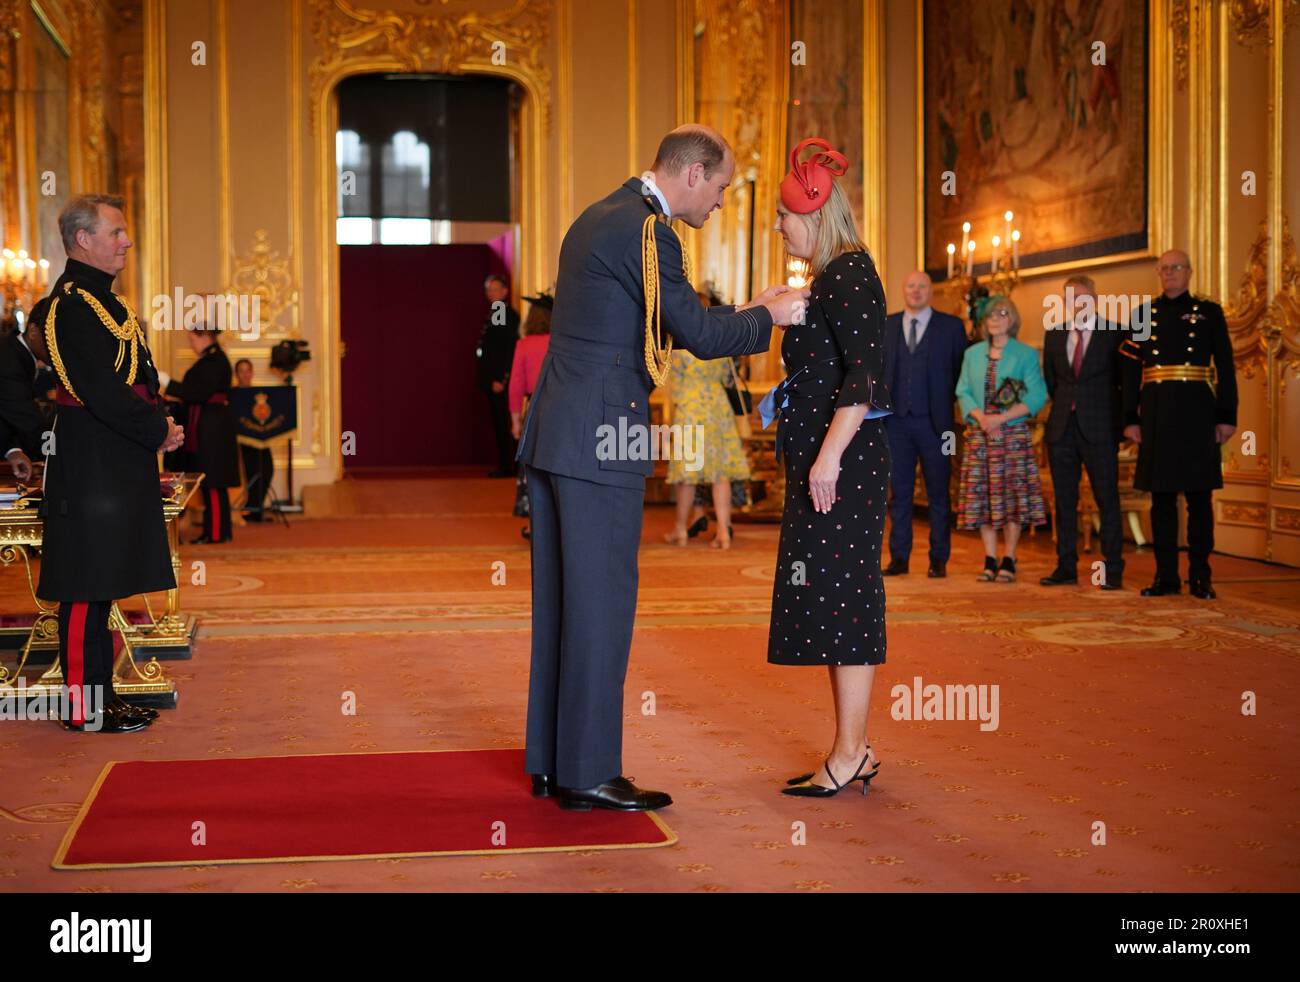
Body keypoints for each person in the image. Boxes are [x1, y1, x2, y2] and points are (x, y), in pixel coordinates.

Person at [517, 124, 804, 811]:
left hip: (560, 429)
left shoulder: (600, 215)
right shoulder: (651, 232)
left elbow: (654, 322)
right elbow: (696, 335)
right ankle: (588, 773)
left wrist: (750, 309)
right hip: (601, 435)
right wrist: (770, 317)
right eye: (723, 187)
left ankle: (555, 762)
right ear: (693, 173)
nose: (722, 202)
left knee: (563, 603)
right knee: (601, 604)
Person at [763, 138, 893, 798]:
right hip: (827, 460)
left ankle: (850, 752)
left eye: (783, 215)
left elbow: (864, 378)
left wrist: (829, 458)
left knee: (848, 600)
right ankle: (851, 747)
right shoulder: (831, 277)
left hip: (843, 464)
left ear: (813, 214)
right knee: (832, 600)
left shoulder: (848, 272)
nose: (777, 226)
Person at [37, 193, 184, 733]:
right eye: (116, 232)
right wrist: (155, 429)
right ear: (83, 240)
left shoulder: (106, 302)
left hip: (116, 455)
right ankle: (84, 706)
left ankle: (105, 695)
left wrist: (159, 424)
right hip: (89, 459)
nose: (127, 241)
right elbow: (98, 389)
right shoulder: (69, 306)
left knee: (104, 578)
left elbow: (139, 377)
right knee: (84, 582)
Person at [1121, 249, 1237, 599]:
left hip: (1197, 411)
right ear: (1159, 273)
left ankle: (1201, 576)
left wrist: (1226, 416)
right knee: (1162, 500)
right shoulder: (1143, 314)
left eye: (1176, 267)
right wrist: (1129, 419)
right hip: (1156, 413)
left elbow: (1225, 365)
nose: (1169, 273)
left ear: (1189, 272)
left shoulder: (1209, 312)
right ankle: (1166, 577)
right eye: (1164, 268)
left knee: (1200, 499)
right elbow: (1130, 370)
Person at [1041, 274, 1126, 589]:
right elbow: (1053, 381)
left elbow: (1123, 383)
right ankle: (1066, 567)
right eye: (1069, 299)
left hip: (1100, 428)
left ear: (1095, 299)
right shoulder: (1054, 335)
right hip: (1062, 428)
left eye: (1081, 298)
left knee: (1107, 498)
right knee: (1065, 502)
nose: (1075, 304)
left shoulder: (1115, 333)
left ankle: (1112, 569)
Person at [955, 296, 1048, 582]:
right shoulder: (973, 354)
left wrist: (1000, 419)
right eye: (990, 315)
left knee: (1011, 498)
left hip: (1012, 436)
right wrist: (983, 418)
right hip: (980, 435)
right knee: (983, 497)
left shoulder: (1026, 354)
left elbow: (1037, 395)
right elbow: (962, 390)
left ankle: (1009, 557)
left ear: (1013, 319)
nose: (996, 319)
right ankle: (989, 557)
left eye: (1002, 313)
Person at [881, 270, 967, 578]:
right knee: (899, 493)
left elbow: (960, 372)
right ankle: (899, 557)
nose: (916, 291)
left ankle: (938, 559)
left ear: (931, 291)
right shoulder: (887, 325)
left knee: (939, 493)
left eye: (922, 286)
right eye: (911, 286)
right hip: (896, 424)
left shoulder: (952, 327)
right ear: (904, 290)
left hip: (938, 426)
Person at [662, 288, 752, 550]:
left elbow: (673, 383)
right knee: (720, 473)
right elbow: (728, 378)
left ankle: (680, 529)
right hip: (717, 409)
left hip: (690, 408)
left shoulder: (679, 344)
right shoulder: (718, 339)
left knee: (687, 474)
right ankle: (723, 531)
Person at [166, 321, 240, 543]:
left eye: (192, 339)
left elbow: (195, 392)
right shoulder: (212, 359)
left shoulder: (213, 361)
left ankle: (216, 533)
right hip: (211, 424)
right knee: (212, 482)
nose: (191, 345)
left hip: (212, 428)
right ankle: (219, 531)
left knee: (212, 482)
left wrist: (168, 383)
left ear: (205, 336)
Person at [508, 291, 553, 539]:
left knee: (532, 468)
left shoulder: (524, 345)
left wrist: (515, 421)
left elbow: (515, 385)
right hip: (560, 409)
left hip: (535, 411)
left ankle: (535, 526)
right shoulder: (560, 343)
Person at [0, 298, 53, 481]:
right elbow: (28, 421)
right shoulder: (9, 361)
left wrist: (12, 449)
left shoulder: (15, 351)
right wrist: (54, 452)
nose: (58, 350)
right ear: (33, 331)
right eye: (52, 339)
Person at [476, 274, 520, 478]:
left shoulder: (501, 311)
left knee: (504, 423)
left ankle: (508, 465)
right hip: (496, 380)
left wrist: (500, 378)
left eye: (495, 289)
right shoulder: (497, 311)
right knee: (501, 423)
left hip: (499, 382)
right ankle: (507, 464)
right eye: (488, 290)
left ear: (504, 291)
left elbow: (503, 347)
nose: (491, 293)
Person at [234, 357, 275, 521]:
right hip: (243, 442)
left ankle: (257, 508)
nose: (245, 375)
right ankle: (250, 509)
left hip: (261, 439)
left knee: (267, 470)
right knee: (250, 474)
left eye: (248, 371)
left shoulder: (259, 395)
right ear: (236, 374)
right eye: (241, 371)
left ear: (252, 373)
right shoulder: (233, 394)